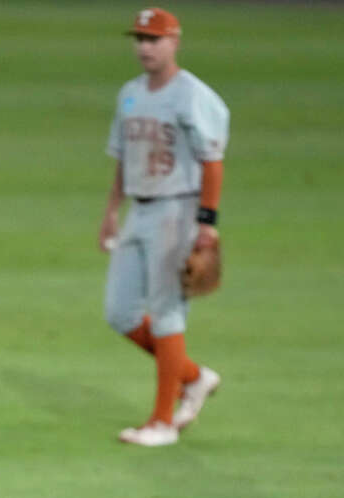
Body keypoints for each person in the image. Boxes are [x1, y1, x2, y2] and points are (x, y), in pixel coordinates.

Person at [97, 7, 229, 446]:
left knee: (167, 313)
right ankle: (193, 377)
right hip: (139, 209)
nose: (145, 47)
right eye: (140, 38)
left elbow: (212, 161)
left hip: (178, 210)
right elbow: (123, 159)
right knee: (120, 312)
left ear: (174, 42)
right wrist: (111, 212)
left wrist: (206, 222)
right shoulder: (130, 93)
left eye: (154, 39)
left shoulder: (193, 95)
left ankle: (162, 422)